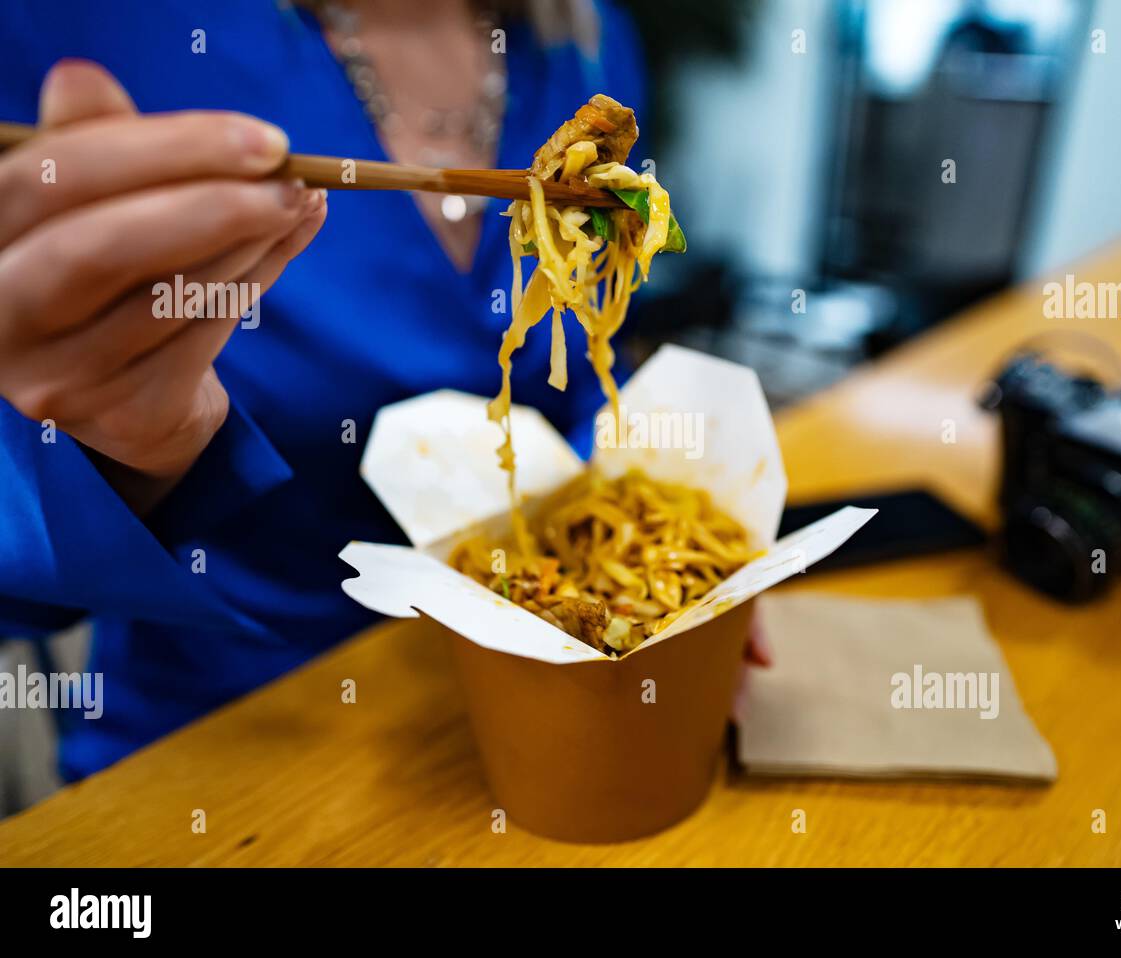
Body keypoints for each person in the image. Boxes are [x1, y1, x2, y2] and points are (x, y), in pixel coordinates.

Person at [0, 0, 647, 781]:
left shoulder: (588, 42)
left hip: (535, 725)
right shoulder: (85, 28)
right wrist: (123, 451)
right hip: (215, 761)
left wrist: (649, 594)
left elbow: (582, 380)